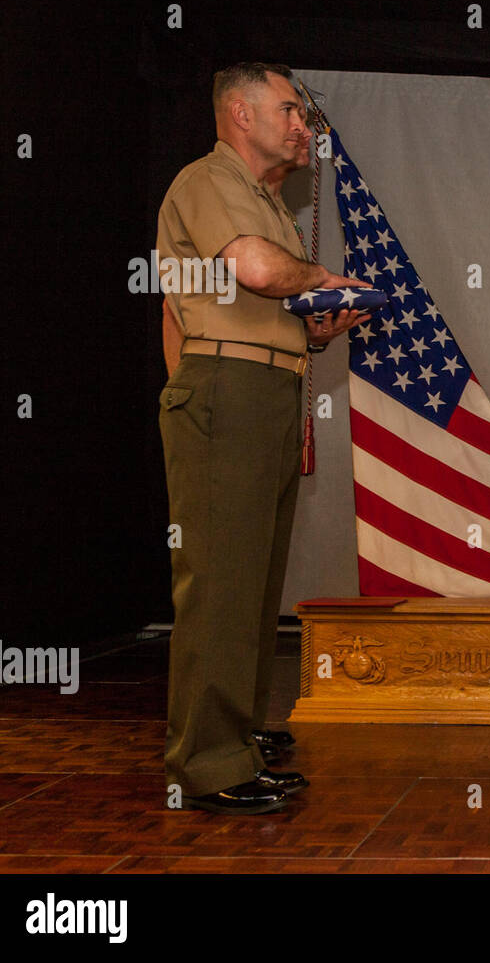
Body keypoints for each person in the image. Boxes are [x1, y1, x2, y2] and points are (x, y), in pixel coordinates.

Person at [157, 62, 369, 813]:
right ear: (240, 113)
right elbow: (253, 269)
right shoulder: (210, 182)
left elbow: (266, 297)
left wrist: (315, 324)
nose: (302, 127)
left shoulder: (267, 204)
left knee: (249, 578)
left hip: (266, 386)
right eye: (288, 110)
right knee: (220, 582)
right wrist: (321, 277)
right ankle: (210, 762)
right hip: (229, 392)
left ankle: (237, 734)